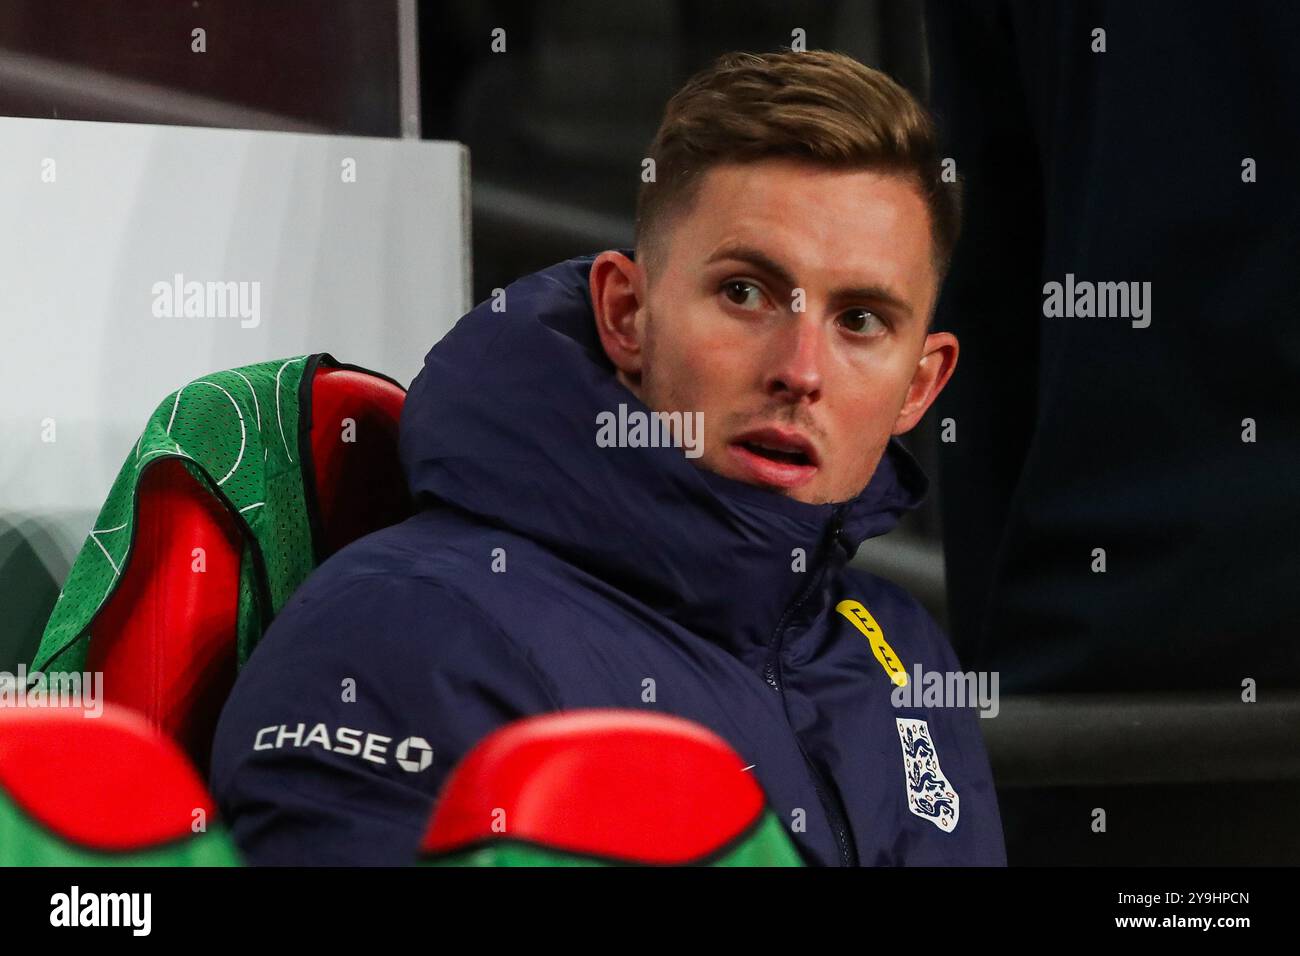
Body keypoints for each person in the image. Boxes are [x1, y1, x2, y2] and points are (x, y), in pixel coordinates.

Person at [210, 49, 1006, 866]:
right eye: (745, 293)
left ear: (919, 385)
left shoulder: (900, 648)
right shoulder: (406, 632)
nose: (800, 371)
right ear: (627, 314)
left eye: (861, 320)